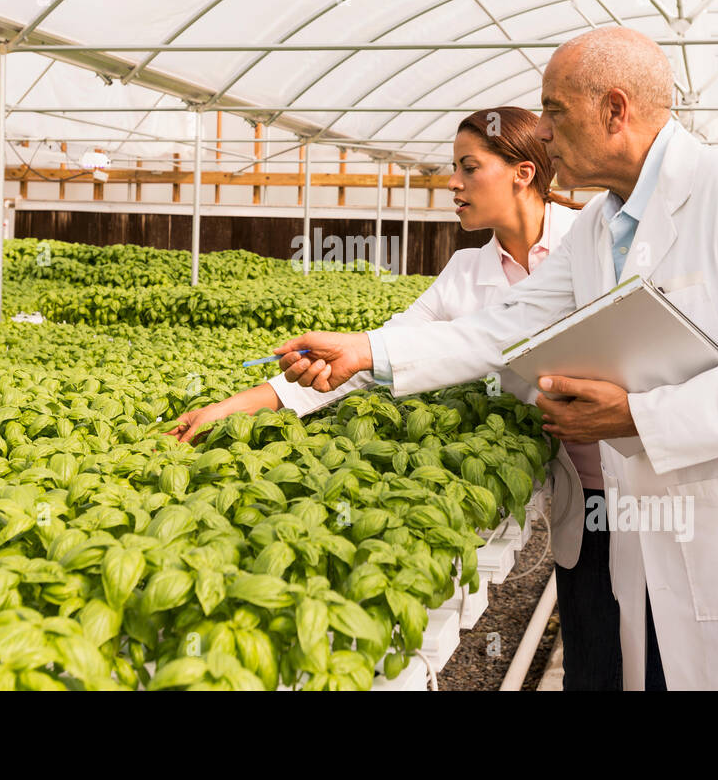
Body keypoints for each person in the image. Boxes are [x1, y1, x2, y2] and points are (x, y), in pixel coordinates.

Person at [272, 27, 718, 691]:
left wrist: (637, 415)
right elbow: (502, 323)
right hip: (646, 539)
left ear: (615, 111)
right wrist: (370, 350)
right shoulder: (598, 228)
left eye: (554, 110)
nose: (541, 130)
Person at [168, 106, 623, 690]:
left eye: (468, 167)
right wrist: (232, 407)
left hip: (635, 468)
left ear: (523, 173)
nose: (452, 184)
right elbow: (384, 351)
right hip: (578, 492)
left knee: (655, 650)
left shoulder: (588, 245)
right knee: (593, 653)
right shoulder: (464, 271)